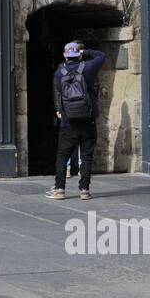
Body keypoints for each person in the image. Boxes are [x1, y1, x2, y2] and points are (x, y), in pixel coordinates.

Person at [48, 41, 107, 200]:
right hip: (88, 120)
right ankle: (84, 190)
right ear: (78, 54)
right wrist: (85, 52)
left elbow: (58, 93)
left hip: (68, 122)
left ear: (65, 56)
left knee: (62, 155)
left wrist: (59, 110)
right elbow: (101, 56)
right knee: (87, 155)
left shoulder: (59, 73)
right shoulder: (88, 68)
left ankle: (60, 189)